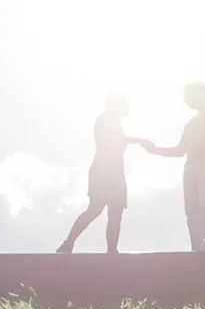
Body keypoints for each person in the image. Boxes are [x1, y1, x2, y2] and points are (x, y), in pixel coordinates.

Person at [143, 82, 205, 252]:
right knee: (191, 210)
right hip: (190, 167)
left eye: (188, 95)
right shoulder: (190, 125)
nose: (185, 100)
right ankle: (196, 247)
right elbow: (180, 150)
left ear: (200, 94)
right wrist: (155, 150)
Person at [56, 96, 148, 254]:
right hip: (105, 172)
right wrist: (140, 141)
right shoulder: (105, 121)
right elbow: (114, 140)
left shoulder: (112, 122)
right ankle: (69, 244)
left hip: (113, 172)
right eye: (124, 105)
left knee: (113, 212)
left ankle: (110, 250)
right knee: (97, 209)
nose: (127, 108)